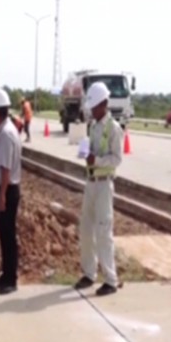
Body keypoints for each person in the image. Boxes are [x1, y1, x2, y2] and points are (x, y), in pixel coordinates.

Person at [74, 82, 124, 296]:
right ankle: (89, 273)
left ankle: (111, 279)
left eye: (95, 108)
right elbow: (91, 152)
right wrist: (86, 156)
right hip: (91, 182)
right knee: (86, 229)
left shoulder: (114, 128)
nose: (93, 112)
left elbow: (117, 158)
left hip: (104, 184)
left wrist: (98, 160)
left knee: (104, 231)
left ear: (104, 104)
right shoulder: (93, 126)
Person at [0, 88, 22, 295]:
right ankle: (6, 274)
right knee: (4, 235)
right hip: (5, 189)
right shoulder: (4, 130)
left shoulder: (7, 134)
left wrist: (1, 196)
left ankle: (11, 278)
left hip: (6, 190)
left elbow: (6, 169)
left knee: (8, 236)